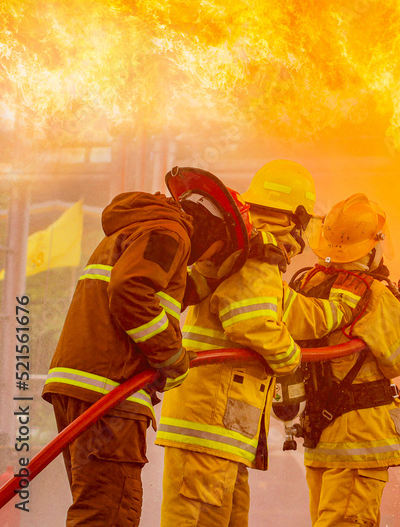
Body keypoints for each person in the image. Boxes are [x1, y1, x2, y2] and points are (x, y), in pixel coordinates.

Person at [156, 160, 371, 526]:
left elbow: (293, 313)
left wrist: (341, 307)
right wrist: (290, 362)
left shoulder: (257, 256)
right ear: (298, 217)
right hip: (207, 427)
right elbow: (251, 324)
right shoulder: (255, 258)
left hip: (221, 432)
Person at [42, 167, 251, 526]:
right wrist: (172, 357)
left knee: (97, 507)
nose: (205, 260)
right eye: (216, 251)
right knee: (109, 514)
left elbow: (173, 292)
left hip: (87, 388)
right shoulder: (170, 233)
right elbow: (132, 291)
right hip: (111, 392)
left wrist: (226, 271)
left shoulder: (142, 228)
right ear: (211, 230)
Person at [293, 193, 400, 527]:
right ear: (372, 246)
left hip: (321, 435)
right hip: (360, 440)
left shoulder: (308, 283)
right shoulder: (374, 294)